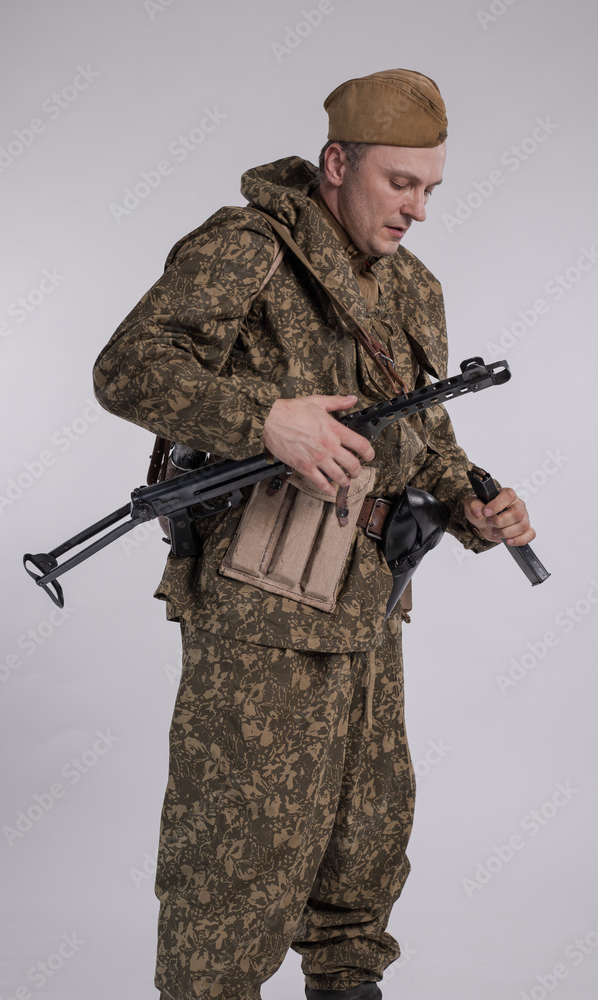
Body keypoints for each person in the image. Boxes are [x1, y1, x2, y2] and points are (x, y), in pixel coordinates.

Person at [93, 69, 535, 1000]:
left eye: (430, 189)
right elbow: (128, 367)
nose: (417, 209)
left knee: (363, 839)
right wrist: (263, 418)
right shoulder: (249, 248)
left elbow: (424, 437)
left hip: (369, 595)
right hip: (261, 596)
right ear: (337, 164)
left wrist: (474, 505)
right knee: (238, 860)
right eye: (398, 184)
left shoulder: (412, 288)